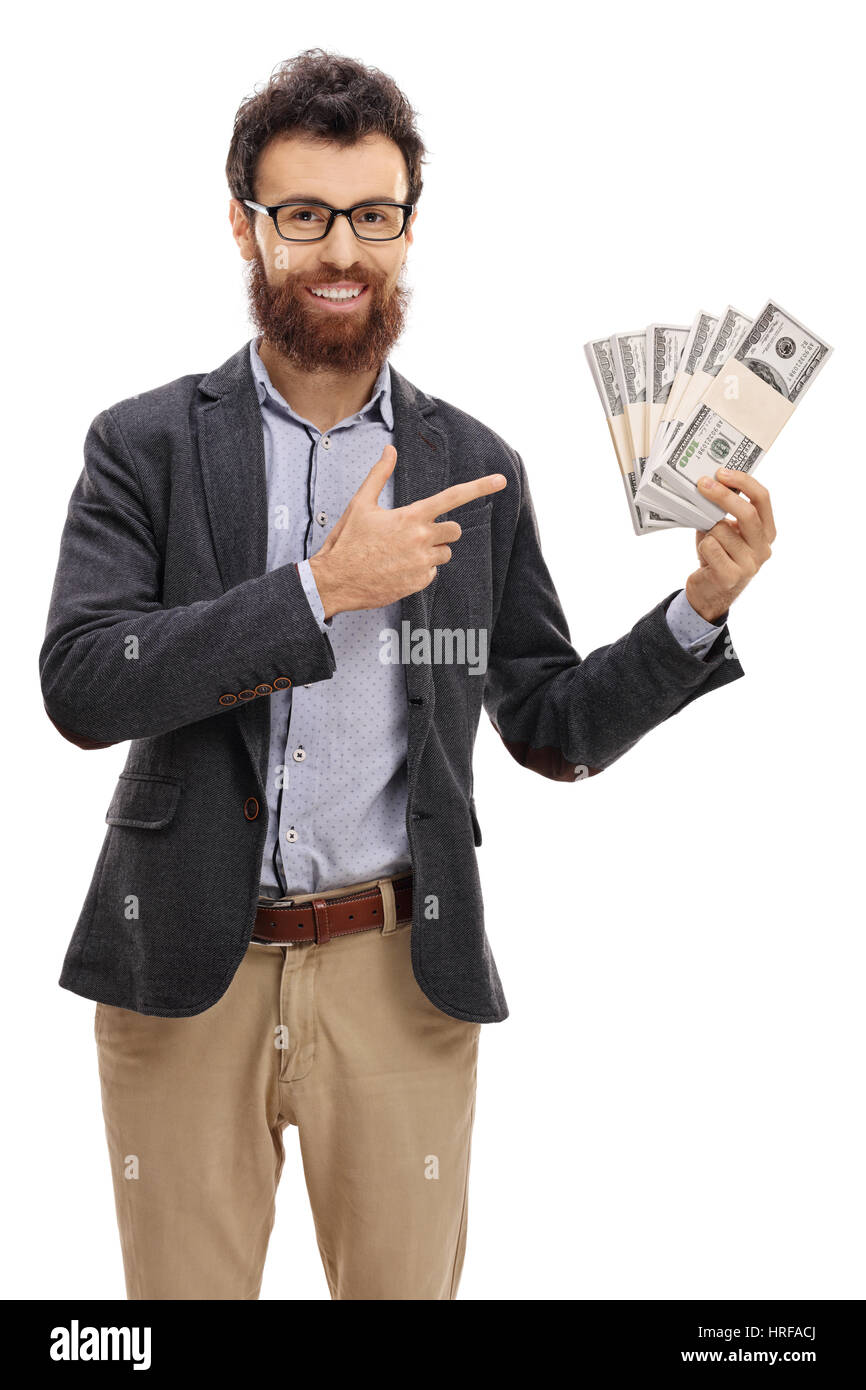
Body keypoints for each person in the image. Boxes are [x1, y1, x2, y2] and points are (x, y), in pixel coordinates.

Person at [39, 48, 774, 1301]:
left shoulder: (473, 465)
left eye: (373, 217)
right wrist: (321, 589)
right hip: (178, 971)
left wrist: (698, 607)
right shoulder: (146, 445)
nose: (342, 251)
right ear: (244, 226)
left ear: (406, 228)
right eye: (307, 216)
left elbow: (549, 724)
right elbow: (84, 686)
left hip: (399, 972)